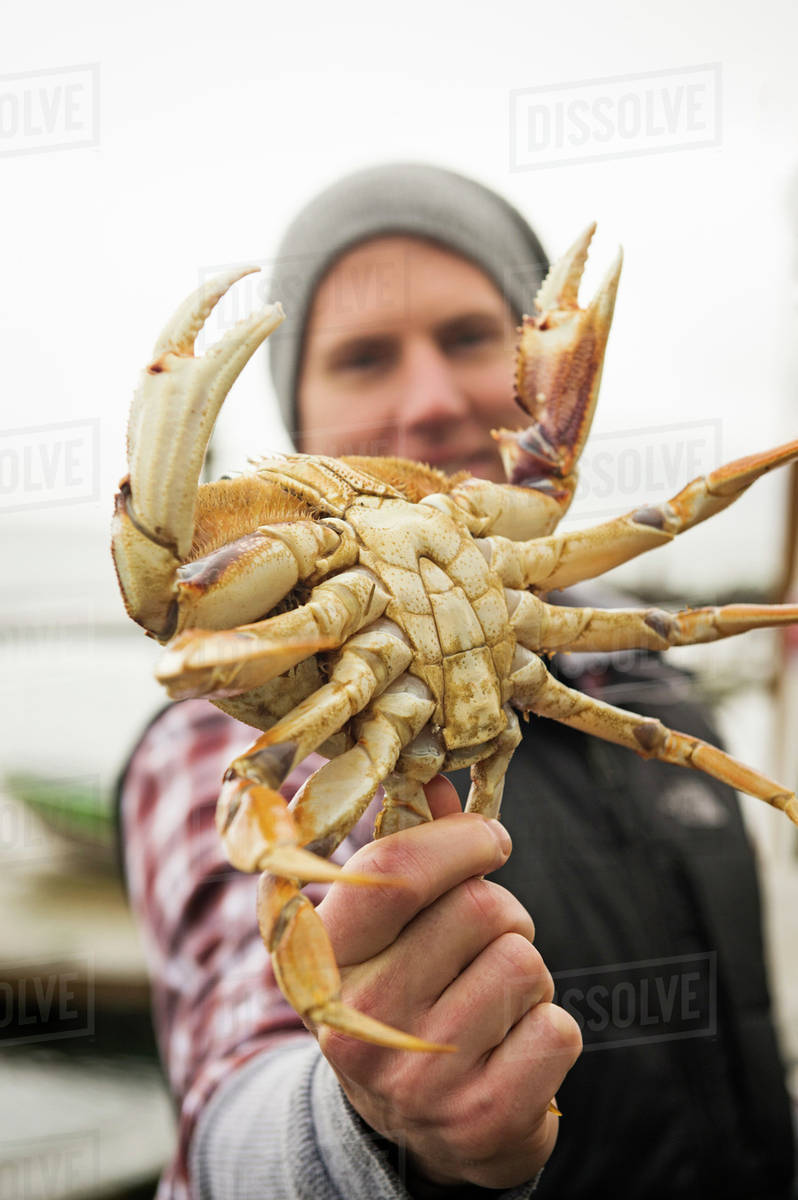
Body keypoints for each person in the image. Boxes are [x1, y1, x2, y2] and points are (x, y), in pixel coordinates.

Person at [118, 164, 796, 1199]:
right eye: (363, 358)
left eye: (470, 337)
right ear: (295, 415)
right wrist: (368, 1127)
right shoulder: (228, 724)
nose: (428, 399)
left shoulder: (648, 681)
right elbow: (227, 1109)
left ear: (537, 386)